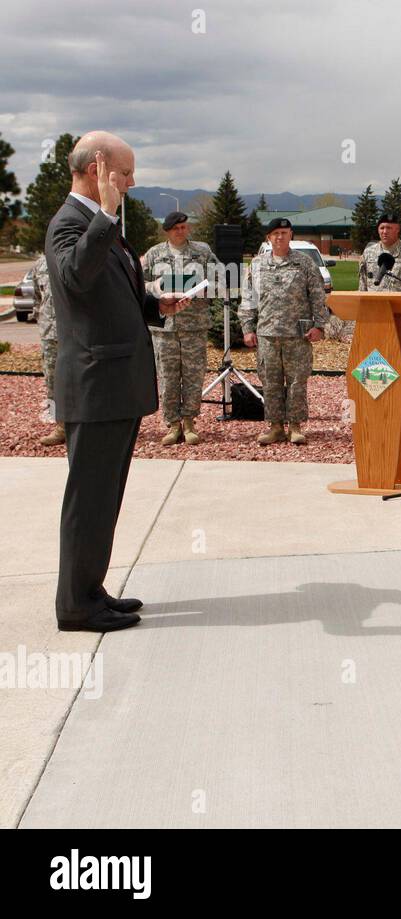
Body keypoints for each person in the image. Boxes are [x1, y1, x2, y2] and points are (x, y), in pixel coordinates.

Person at [45, 131, 186, 632]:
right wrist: (105, 215)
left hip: (114, 385)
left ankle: (91, 589)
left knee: (105, 497)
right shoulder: (71, 222)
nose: (131, 180)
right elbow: (76, 278)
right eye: (124, 172)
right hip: (95, 386)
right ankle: (77, 607)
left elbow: (110, 290)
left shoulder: (97, 223)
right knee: (89, 499)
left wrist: (155, 304)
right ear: (95, 168)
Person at [239, 218, 328, 446]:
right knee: (270, 381)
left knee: (298, 381)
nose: (280, 237)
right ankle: (276, 426)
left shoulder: (304, 263)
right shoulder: (257, 265)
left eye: (284, 233)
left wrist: (319, 326)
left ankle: (295, 426)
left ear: (291, 235)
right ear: (268, 238)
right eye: (275, 233)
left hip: (298, 334)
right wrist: (248, 329)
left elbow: (317, 296)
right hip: (268, 334)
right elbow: (248, 299)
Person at [141, 211, 223, 445]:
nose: (181, 231)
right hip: (164, 328)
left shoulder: (202, 252)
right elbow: (140, 284)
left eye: (184, 227)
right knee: (167, 377)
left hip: (194, 326)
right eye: (176, 228)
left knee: (193, 376)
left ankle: (189, 422)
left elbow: (222, 280)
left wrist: (203, 289)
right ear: (167, 231)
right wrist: (157, 289)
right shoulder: (155, 254)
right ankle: (172, 424)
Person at [29, 254, 65, 447]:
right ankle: (60, 427)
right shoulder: (40, 264)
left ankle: (85, 427)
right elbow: (37, 298)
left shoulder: (73, 259)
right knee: (52, 381)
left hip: (74, 335)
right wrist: (42, 323)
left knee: (81, 381)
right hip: (49, 335)